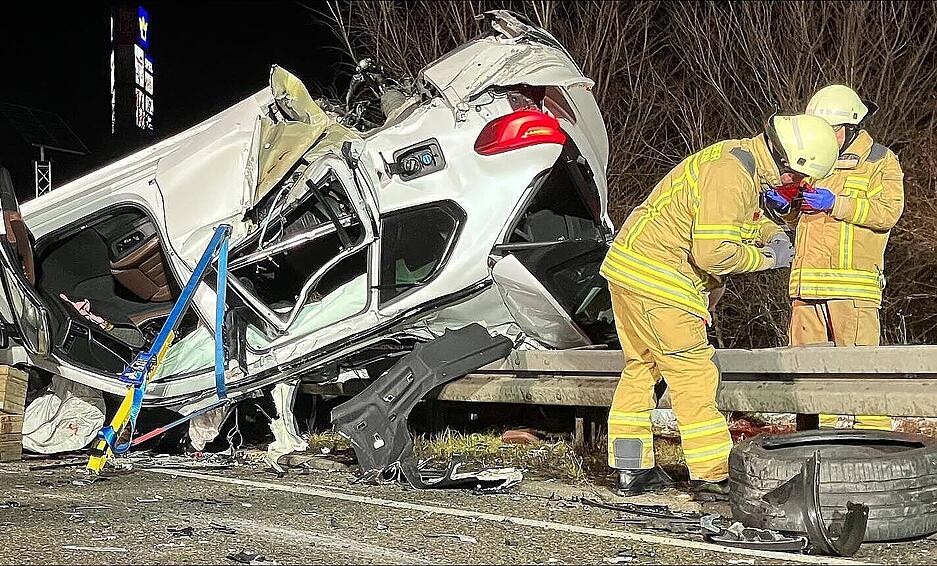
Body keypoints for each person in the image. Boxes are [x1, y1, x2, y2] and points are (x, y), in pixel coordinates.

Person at [601, 114, 839, 500]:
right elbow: (713, 253)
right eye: (800, 179)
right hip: (663, 281)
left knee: (641, 368)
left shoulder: (739, 160)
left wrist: (774, 232)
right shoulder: (732, 176)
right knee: (694, 374)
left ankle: (632, 468)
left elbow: (739, 221)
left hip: (630, 271)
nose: (799, 187)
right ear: (788, 162)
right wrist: (767, 258)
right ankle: (712, 476)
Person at [764, 85, 905, 431]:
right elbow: (805, 222)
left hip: (852, 291)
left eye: (830, 130)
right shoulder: (814, 161)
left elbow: (888, 212)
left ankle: (876, 446)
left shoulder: (880, 161)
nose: (823, 137)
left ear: (851, 127)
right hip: (806, 288)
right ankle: (815, 441)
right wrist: (786, 209)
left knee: (862, 375)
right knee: (807, 377)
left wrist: (835, 203)